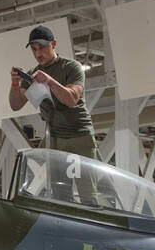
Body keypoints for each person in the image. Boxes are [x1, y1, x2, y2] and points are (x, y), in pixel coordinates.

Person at [8, 26, 97, 160]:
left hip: (79, 134)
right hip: (54, 137)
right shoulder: (33, 74)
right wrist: (15, 84)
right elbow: (16, 105)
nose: (38, 53)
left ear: (53, 44)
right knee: (53, 180)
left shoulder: (71, 67)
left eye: (42, 47)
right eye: (34, 49)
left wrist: (49, 81)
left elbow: (71, 100)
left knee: (84, 181)